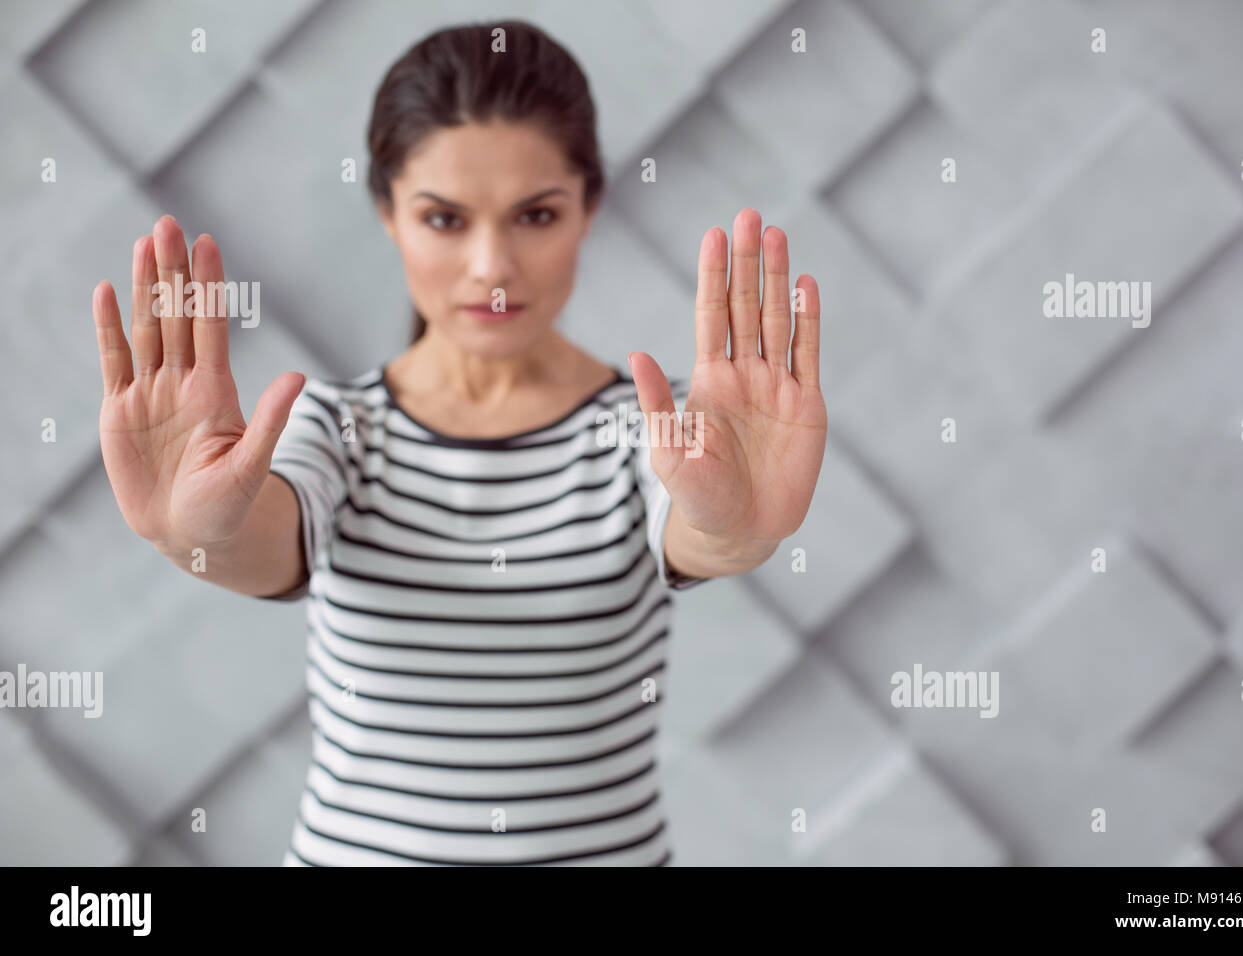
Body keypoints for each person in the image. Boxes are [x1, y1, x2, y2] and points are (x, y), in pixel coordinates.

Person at [89, 20, 827, 866]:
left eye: (535, 215)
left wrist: (741, 527)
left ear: (589, 207)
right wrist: (192, 536)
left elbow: (704, 522)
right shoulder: (335, 428)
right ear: (387, 214)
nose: (493, 266)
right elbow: (258, 537)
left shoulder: (654, 433)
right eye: (444, 218)